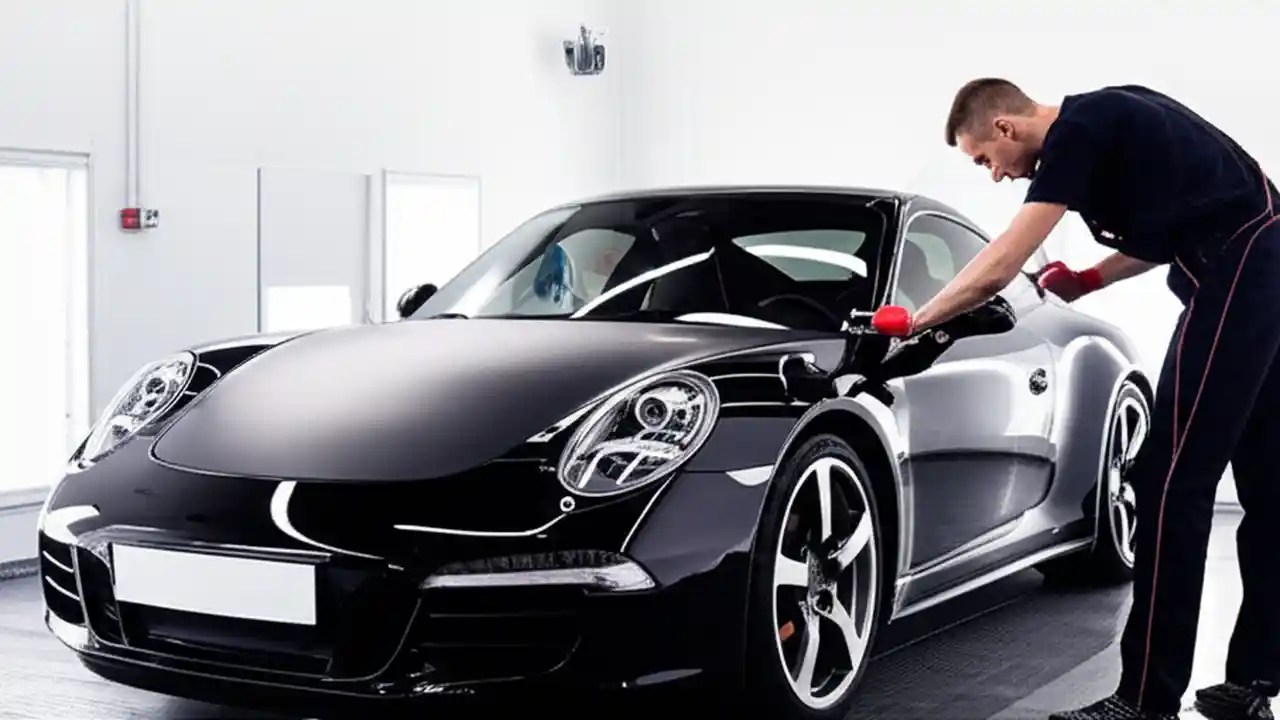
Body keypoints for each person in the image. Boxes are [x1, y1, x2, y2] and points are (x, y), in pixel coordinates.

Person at [910, 79, 1280, 720]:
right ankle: (1256, 679)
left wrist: (916, 321)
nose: (994, 176)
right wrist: (1086, 279)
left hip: (1246, 270)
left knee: (1168, 481)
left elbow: (1001, 263)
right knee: (1271, 489)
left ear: (1004, 128)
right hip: (1259, 273)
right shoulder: (1112, 124)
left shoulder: (1079, 130)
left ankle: (1145, 700)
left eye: (983, 160)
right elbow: (1165, 230)